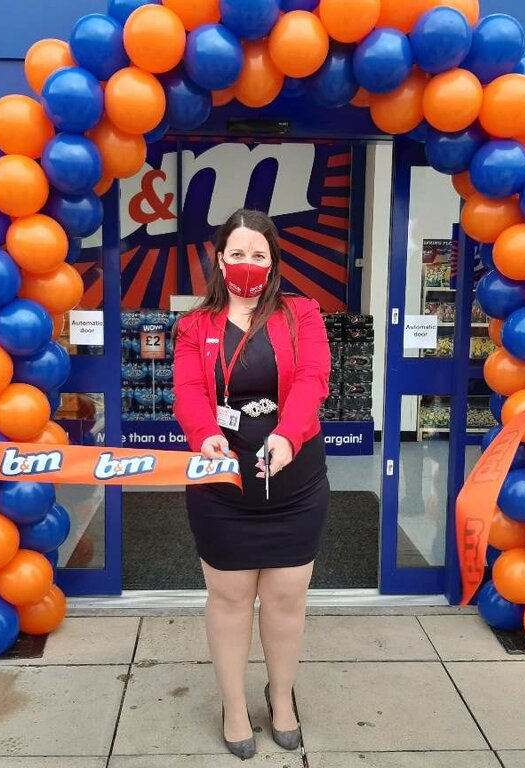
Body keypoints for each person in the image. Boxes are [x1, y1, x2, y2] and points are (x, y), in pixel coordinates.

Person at [173, 208, 331, 759]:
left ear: (272, 262)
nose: (247, 263)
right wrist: (204, 435)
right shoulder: (195, 325)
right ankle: (235, 705)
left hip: (296, 479)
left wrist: (289, 435)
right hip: (222, 485)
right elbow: (189, 390)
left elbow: (313, 379)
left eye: (258, 255)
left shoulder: (301, 314)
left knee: (287, 596)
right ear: (220, 259)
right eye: (236, 253)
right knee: (231, 595)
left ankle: (281, 697)